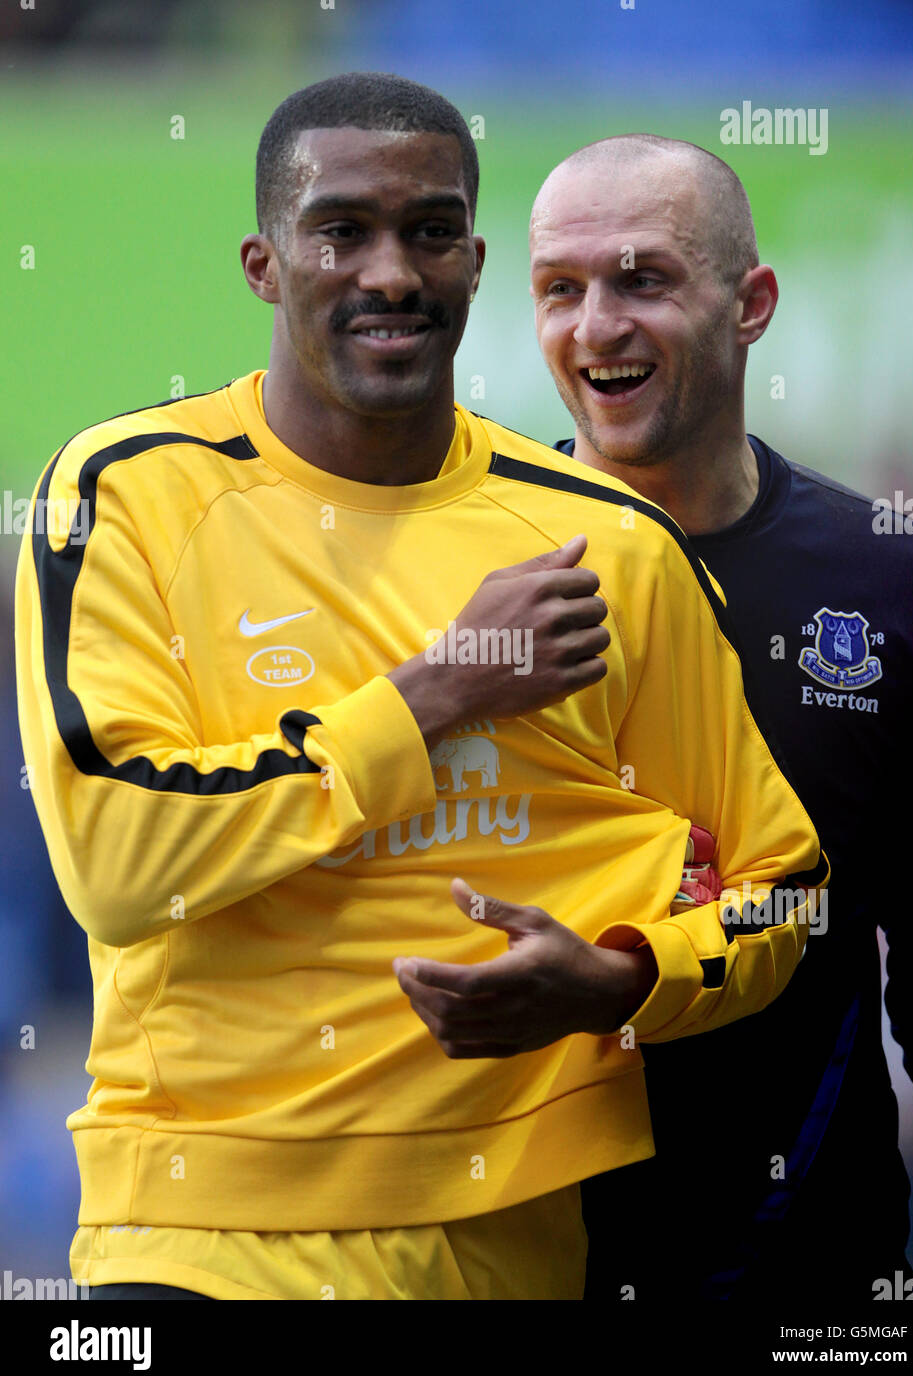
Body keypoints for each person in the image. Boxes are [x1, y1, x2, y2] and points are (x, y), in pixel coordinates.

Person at [15, 80, 825, 1303]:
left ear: (475, 260)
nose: (390, 271)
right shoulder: (125, 493)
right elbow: (125, 864)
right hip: (185, 1246)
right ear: (264, 263)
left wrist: (625, 980)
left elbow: (789, 896)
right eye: (341, 230)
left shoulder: (606, 543)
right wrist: (441, 687)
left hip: (511, 1245)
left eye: (431, 231)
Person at [524, 133, 913, 1300]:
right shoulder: (464, 579)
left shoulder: (907, 590)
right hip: (514, 1273)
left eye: (643, 279)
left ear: (751, 302)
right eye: (559, 289)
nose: (595, 325)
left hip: (809, 1277)